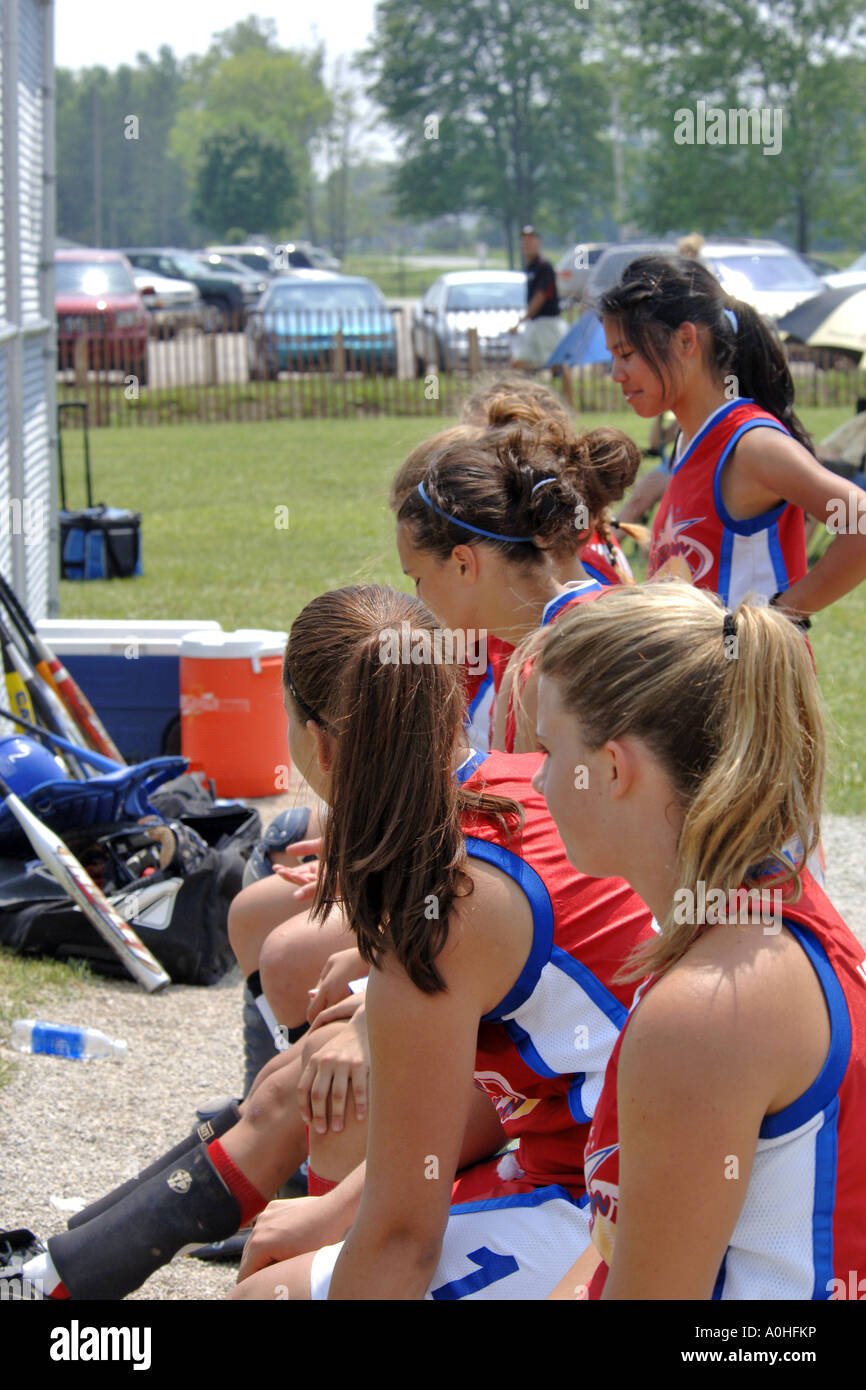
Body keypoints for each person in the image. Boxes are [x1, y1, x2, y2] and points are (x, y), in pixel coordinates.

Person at [229, 583, 655, 1300]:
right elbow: (508, 1092)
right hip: (615, 1158)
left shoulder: (438, 907)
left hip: (621, 1196)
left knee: (261, 1296)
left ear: (319, 744)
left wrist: (347, 1234)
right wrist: (338, 1212)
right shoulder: (514, 783)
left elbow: (402, 1245)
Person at [532, 582, 866, 1299]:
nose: (537, 778)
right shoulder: (766, 904)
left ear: (613, 770)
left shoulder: (709, 1008)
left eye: (549, 750)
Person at [600, 254, 866, 616]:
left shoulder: (750, 445)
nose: (617, 373)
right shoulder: (688, 441)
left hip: (752, 674)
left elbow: (860, 521)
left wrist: (782, 615)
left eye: (627, 353)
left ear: (685, 341)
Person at [509, 226, 573, 408]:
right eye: (524, 240)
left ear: (538, 242)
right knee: (518, 363)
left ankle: (570, 407)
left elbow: (540, 297)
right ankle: (524, 406)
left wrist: (521, 320)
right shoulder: (530, 268)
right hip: (535, 324)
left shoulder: (544, 266)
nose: (526, 243)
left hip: (547, 323)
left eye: (530, 239)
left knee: (558, 365)